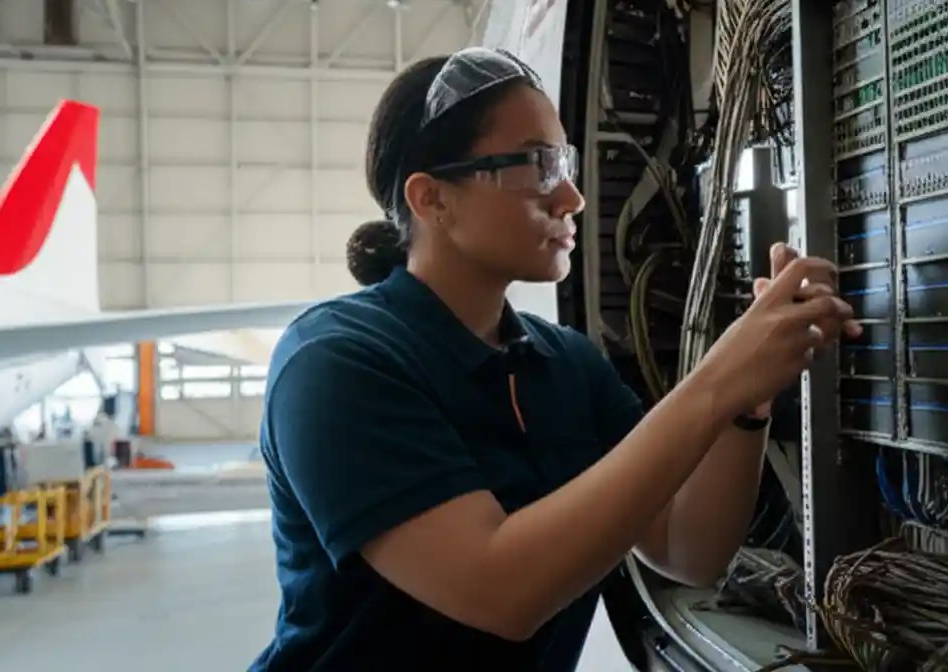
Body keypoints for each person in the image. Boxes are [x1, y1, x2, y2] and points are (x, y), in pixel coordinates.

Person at [250, 48, 860, 671]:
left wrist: (748, 398)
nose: (571, 197)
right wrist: (717, 378)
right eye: (537, 166)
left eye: (562, 164)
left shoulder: (564, 363)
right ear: (433, 200)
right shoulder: (335, 364)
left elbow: (686, 549)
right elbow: (499, 591)